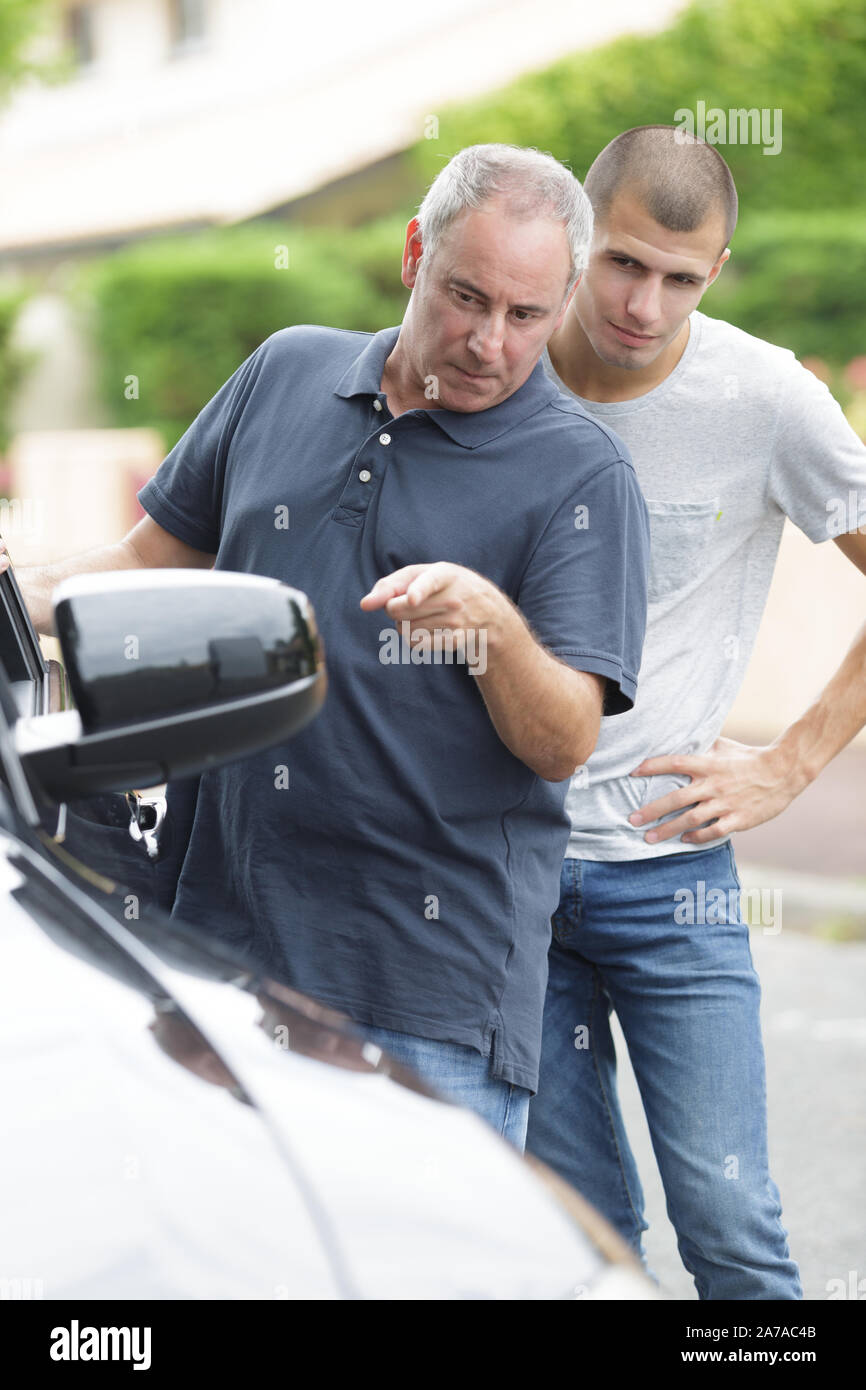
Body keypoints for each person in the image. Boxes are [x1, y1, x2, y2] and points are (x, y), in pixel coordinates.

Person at [1, 144, 649, 1151]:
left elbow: (563, 740)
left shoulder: (581, 474)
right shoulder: (285, 370)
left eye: (526, 315)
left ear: (563, 299)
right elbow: (139, 566)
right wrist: (14, 588)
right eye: (465, 296)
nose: (487, 342)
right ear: (411, 255)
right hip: (215, 952)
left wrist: (492, 631)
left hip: (422, 990)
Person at [527, 124, 866, 1295]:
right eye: (623, 262)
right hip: (501, 869)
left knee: (726, 1220)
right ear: (578, 235)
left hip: (665, 869)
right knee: (581, 1238)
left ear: (714, 270)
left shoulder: (763, 398)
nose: (643, 302)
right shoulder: (497, 368)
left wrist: (789, 764)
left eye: (680, 276)